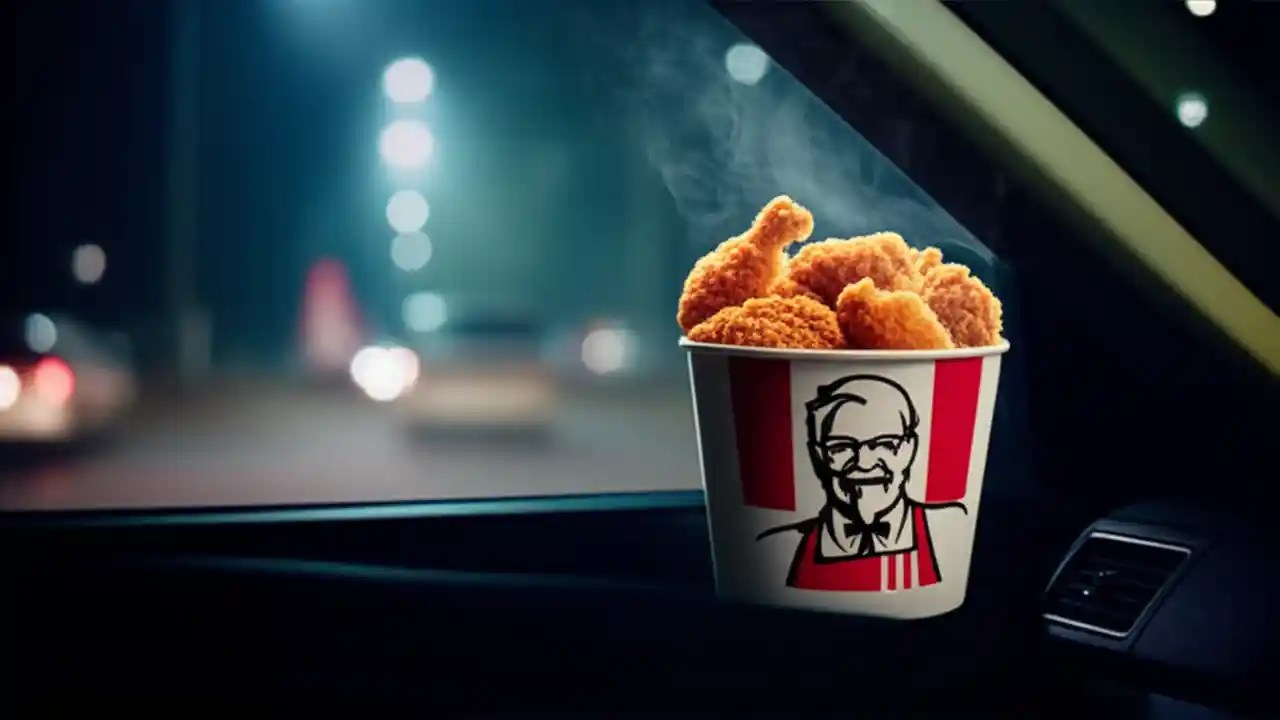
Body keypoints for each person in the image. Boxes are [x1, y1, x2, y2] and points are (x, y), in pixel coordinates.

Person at [757, 375, 966, 591]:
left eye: (885, 444)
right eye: (841, 447)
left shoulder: (947, 526)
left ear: (909, 449)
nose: (864, 464)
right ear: (818, 455)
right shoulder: (779, 546)